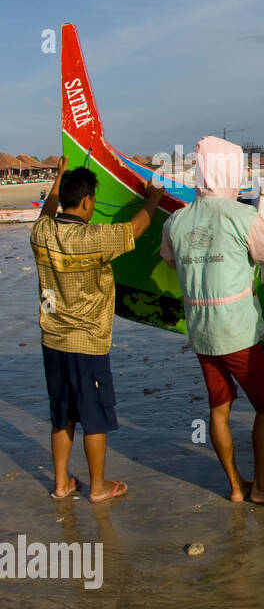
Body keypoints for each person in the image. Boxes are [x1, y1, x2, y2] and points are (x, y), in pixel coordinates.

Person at [161, 137, 264, 503]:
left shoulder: (177, 220)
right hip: (236, 330)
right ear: (231, 172)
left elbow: (169, 259)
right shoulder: (241, 215)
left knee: (219, 408)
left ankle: (237, 487)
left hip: (201, 329)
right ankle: (263, 486)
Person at [31, 157, 164, 502]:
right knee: (94, 417)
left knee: (61, 414)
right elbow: (135, 228)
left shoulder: (40, 232)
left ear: (64, 198)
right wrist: (154, 198)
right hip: (87, 343)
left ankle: (61, 483)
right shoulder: (94, 238)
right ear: (89, 202)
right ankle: (98, 487)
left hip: (52, 340)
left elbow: (47, 211)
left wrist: (58, 179)